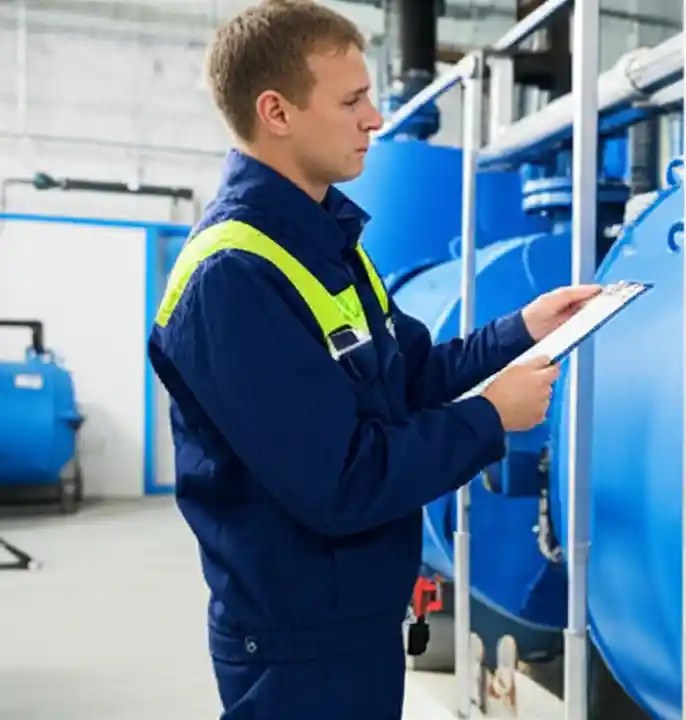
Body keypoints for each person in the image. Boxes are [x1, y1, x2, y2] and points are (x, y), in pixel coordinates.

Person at [146, 1, 600, 717]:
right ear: (277, 111)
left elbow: (410, 374)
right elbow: (342, 483)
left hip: (350, 618)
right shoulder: (233, 277)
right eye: (352, 100)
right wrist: (490, 419)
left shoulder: (325, 243)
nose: (375, 120)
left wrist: (524, 327)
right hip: (298, 643)